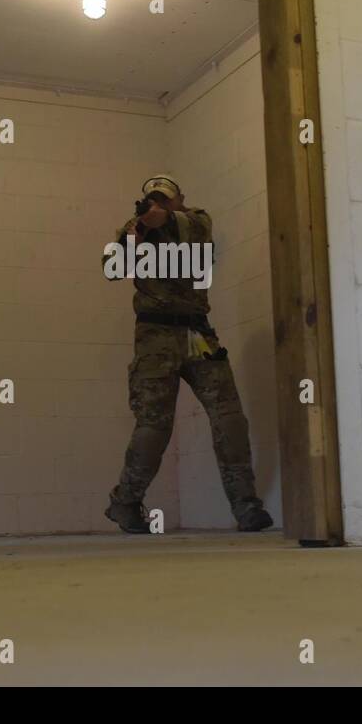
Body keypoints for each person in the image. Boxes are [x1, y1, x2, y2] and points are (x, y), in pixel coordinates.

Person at [101, 174, 274, 533]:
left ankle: (245, 504)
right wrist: (136, 235)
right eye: (154, 199)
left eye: (167, 198)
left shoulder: (196, 219)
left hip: (198, 332)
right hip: (154, 334)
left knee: (229, 418)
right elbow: (112, 269)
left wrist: (159, 219)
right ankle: (125, 502)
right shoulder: (135, 228)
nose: (161, 204)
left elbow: (192, 229)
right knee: (153, 425)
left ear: (180, 199)